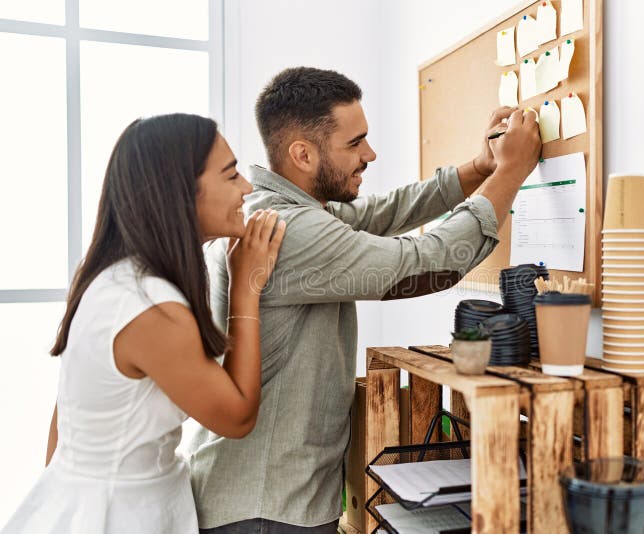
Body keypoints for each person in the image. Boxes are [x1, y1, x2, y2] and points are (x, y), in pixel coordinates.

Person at [188, 67, 541, 533]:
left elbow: (381, 212)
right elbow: (425, 263)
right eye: (354, 144)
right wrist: (512, 171)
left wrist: (480, 169)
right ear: (303, 154)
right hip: (264, 508)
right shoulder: (289, 230)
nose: (369, 154)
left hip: (264, 498)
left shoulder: (290, 210)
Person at [1, 113, 285, 534]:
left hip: (106, 504)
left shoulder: (117, 277)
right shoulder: (147, 307)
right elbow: (237, 416)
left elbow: (64, 419)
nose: (246, 187)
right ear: (180, 194)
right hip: (115, 516)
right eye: (231, 175)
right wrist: (247, 288)